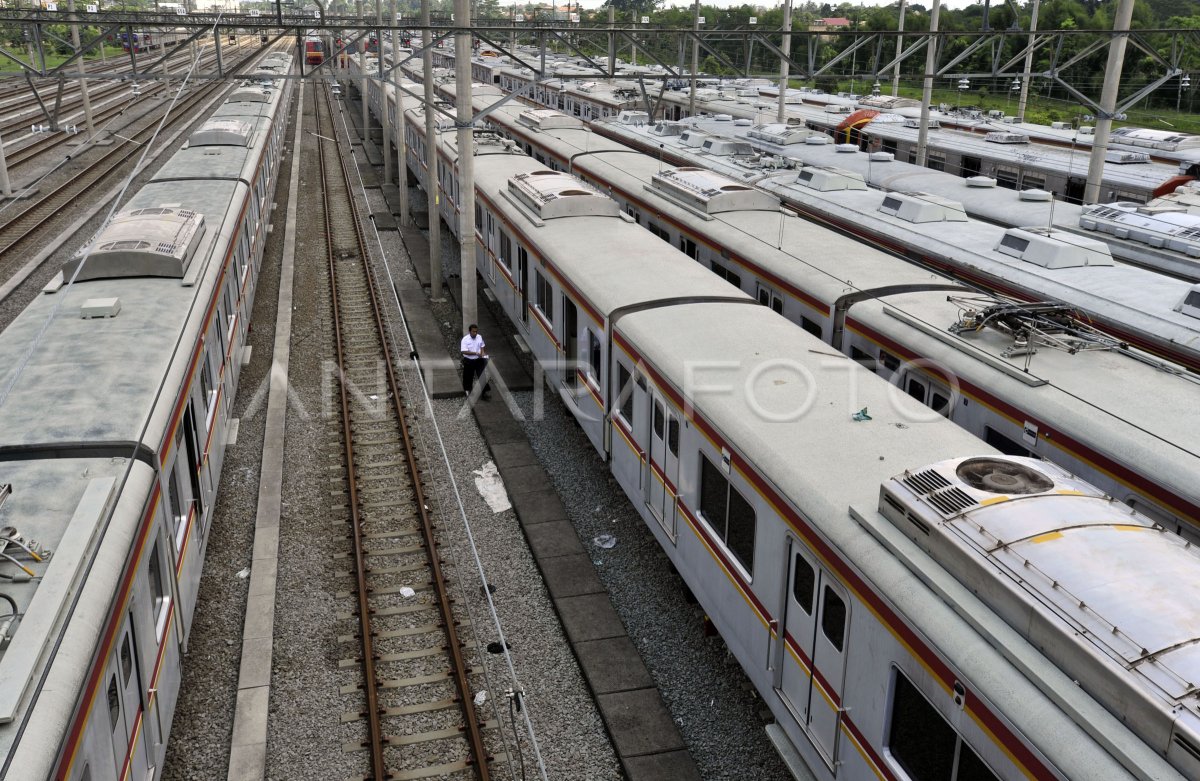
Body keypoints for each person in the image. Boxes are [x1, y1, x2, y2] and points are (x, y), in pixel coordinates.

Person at [460, 323, 490, 400]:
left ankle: (484, 393)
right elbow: (463, 351)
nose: (475, 333)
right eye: (473, 331)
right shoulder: (465, 340)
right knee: (468, 376)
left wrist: (482, 352)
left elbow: (482, 345)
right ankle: (467, 390)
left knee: (482, 376)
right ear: (470, 331)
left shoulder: (479, 337)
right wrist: (475, 353)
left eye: (476, 331)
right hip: (469, 361)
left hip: (479, 360)